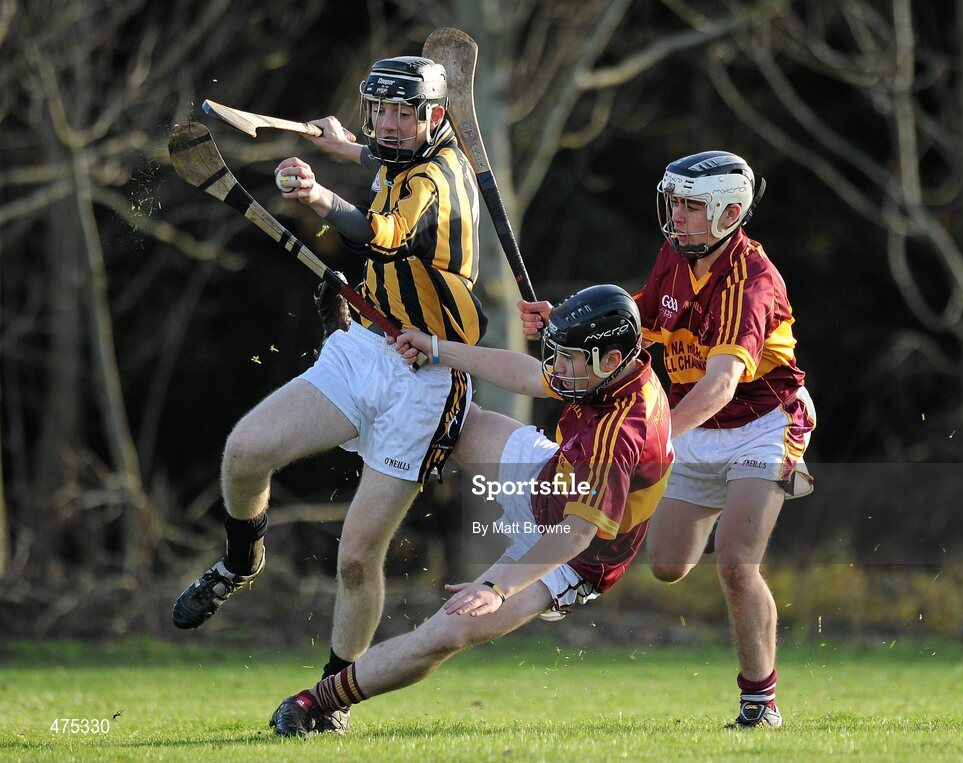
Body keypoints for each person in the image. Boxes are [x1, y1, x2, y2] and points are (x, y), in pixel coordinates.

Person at [172, 56, 485, 733]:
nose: (392, 126)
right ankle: (239, 557)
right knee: (246, 450)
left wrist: (316, 196)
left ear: (436, 117)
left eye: (407, 113)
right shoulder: (401, 151)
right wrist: (336, 140)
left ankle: (329, 699)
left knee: (354, 555)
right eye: (383, 112)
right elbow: (375, 152)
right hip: (368, 345)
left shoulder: (434, 173)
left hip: (428, 375)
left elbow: (385, 233)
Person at [267, 284, 673, 736]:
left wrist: (499, 586)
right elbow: (526, 374)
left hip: (571, 556)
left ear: (609, 360)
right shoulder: (614, 364)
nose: (556, 369)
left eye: (566, 358)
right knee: (450, 418)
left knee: (445, 634)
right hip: (549, 476)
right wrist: (437, 350)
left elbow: (576, 534)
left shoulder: (620, 434)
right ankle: (355, 382)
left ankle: (315, 701)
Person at [520, 151, 815, 729]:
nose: (676, 215)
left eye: (691, 206)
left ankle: (760, 703)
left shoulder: (752, 280)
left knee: (734, 561)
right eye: (675, 201)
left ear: (730, 212)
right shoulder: (674, 259)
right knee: (668, 566)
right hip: (694, 423)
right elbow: (633, 330)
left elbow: (722, 385)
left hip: (763, 423)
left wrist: (653, 439)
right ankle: (576, 577)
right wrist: (566, 327)